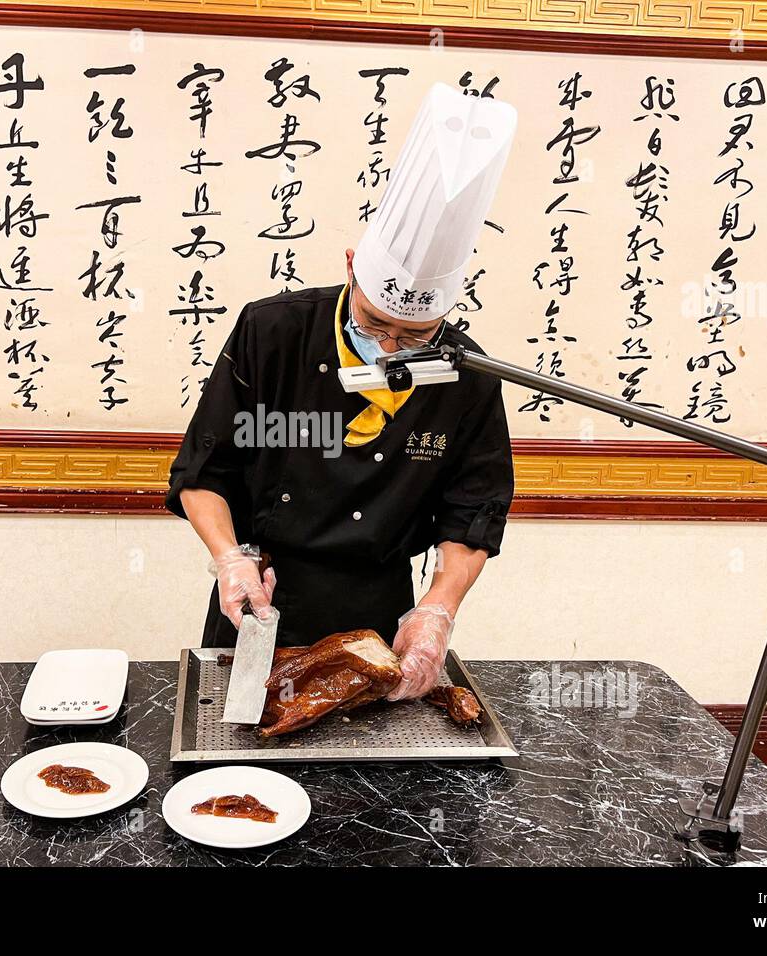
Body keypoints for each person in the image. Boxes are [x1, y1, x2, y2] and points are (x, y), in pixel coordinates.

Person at [166, 83, 518, 701]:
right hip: (261, 592)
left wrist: (438, 608)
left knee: (372, 789)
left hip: (378, 609)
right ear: (353, 265)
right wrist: (229, 559)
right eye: (377, 323)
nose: (388, 348)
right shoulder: (270, 331)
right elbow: (203, 470)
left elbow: (473, 511)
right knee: (234, 761)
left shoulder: (467, 374)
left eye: (415, 336)